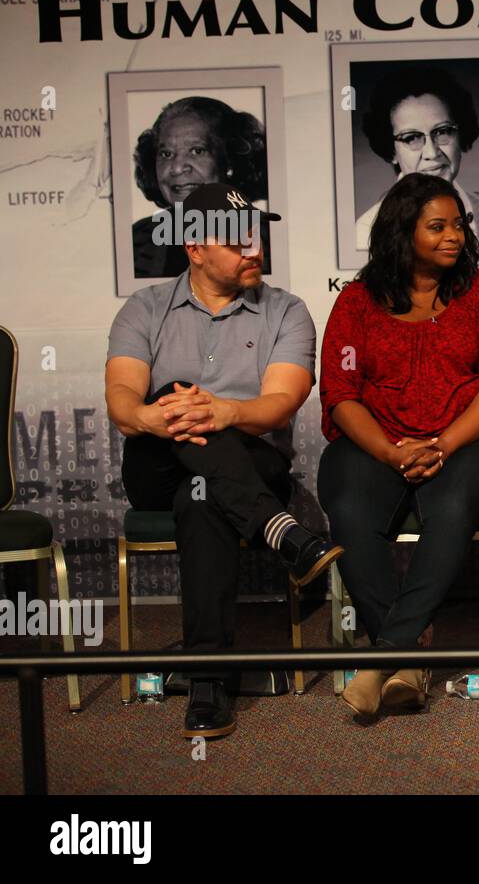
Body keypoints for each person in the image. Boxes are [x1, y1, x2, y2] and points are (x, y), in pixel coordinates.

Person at [105, 182, 342, 740]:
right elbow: (122, 400)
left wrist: (222, 413)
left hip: (250, 460)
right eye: (237, 240)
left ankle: (207, 681)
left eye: (256, 236)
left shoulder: (287, 310)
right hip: (155, 462)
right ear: (193, 247)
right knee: (175, 392)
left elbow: (280, 406)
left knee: (202, 496)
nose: (254, 249)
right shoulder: (144, 309)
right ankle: (282, 533)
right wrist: (155, 417)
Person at [318, 173, 479, 718]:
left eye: (458, 224)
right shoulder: (357, 302)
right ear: (401, 230)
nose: (453, 236)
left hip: (474, 441)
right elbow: (340, 394)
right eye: (437, 226)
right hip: (378, 441)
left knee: (452, 502)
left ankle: (383, 657)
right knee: (347, 503)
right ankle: (409, 657)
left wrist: (443, 442)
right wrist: (390, 452)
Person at [355, 64, 479, 253]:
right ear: (391, 150)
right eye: (411, 138)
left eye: (443, 131)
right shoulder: (366, 232)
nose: (431, 152)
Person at [131, 96, 271, 279]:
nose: (177, 167)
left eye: (197, 151)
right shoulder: (136, 240)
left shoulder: (269, 242)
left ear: (229, 161)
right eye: (166, 154)